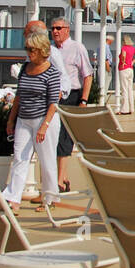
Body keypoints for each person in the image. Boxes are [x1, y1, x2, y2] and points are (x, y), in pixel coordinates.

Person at [3, 31, 62, 215]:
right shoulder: (25, 68)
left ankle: (50, 197)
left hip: (44, 120)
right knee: (20, 158)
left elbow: (53, 102)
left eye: (31, 49)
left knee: (47, 160)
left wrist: (44, 126)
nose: (28, 53)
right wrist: (11, 119)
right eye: (27, 49)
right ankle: (13, 199)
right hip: (24, 119)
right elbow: (19, 96)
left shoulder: (52, 72)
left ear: (41, 50)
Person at [49, 17, 93, 193]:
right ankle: (64, 177)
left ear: (67, 29)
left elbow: (87, 75)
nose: (55, 31)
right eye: (52, 28)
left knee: (64, 137)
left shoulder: (77, 48)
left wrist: (84, 100)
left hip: (72, 96)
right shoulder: (51, 50)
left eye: (59, 28)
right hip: (54, 96)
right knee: (53, 136)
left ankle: (59, 181)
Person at [117, 35, 135, 115]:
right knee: (130, 89)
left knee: (124, 89)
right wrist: (132, 62)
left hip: (124, 69)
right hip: (130, 69)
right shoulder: (132, 48)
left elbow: (123, 55)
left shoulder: (124, 48)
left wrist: (123, 62)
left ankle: (124, 109)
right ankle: (131, 108)